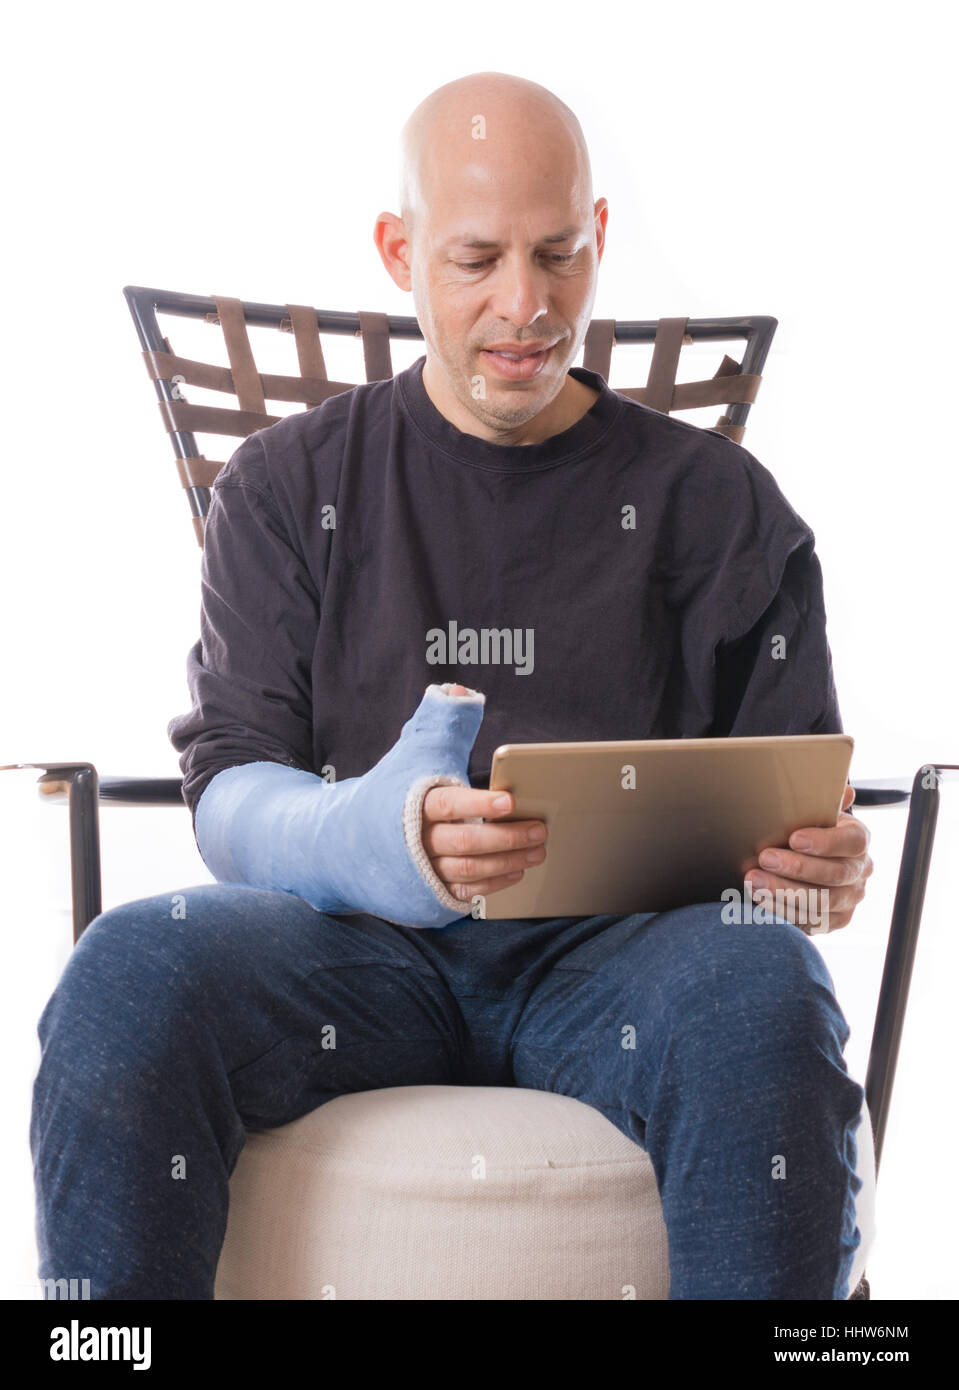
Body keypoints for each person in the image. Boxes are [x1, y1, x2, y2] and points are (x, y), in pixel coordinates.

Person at [30, 70, 874, 1301]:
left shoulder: (719, 507)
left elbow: (787, 838)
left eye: (554, 256)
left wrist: (816, 884)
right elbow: (228, 790)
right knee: (126, 970)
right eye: (475, 259)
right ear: (398, 251)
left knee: (764, 983)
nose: (523, 308)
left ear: (598, 240)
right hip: (349, 953)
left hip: (625, 963)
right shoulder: (283, 485)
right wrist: (377, 833)